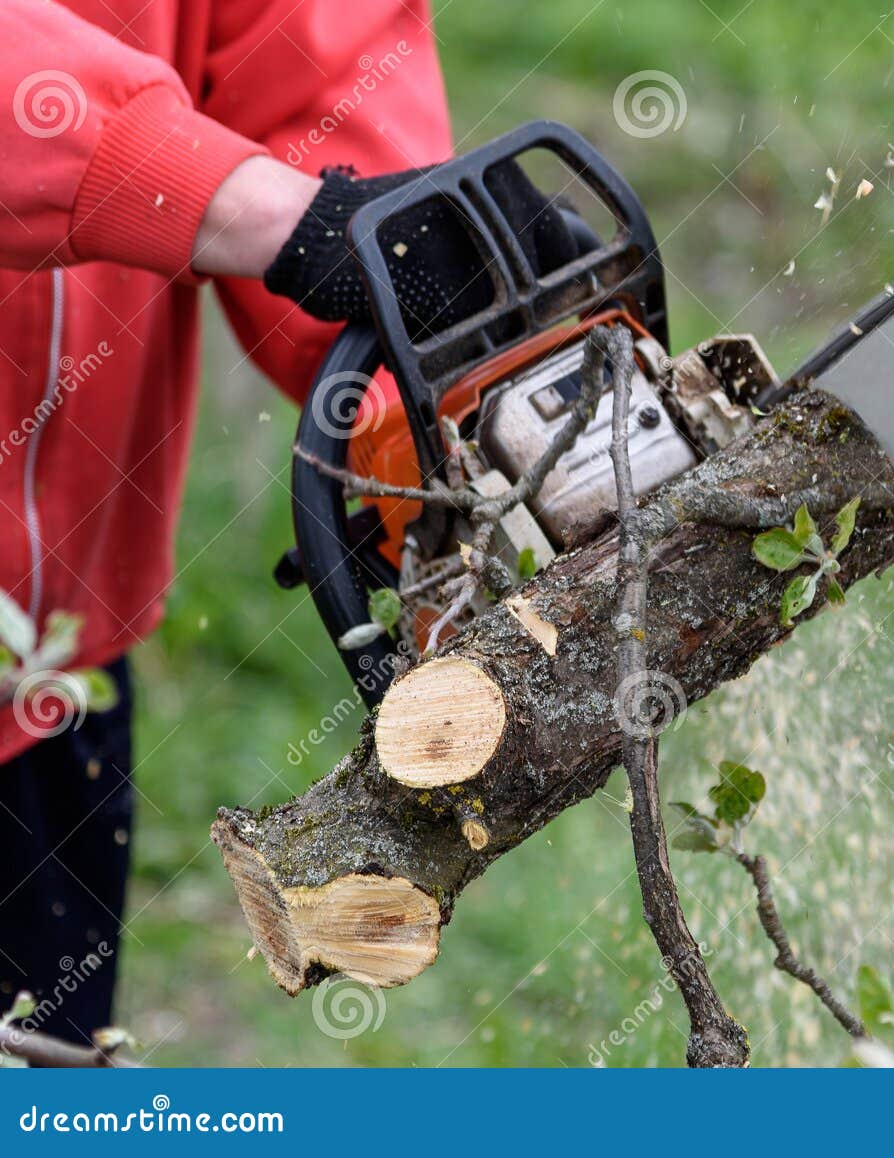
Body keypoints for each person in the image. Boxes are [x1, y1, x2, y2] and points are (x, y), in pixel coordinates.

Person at [0, 0, 579, 1046]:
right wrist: (257, 209)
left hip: (52, 648)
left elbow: (311, 55)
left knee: (41, 1072)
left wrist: (427, 390)